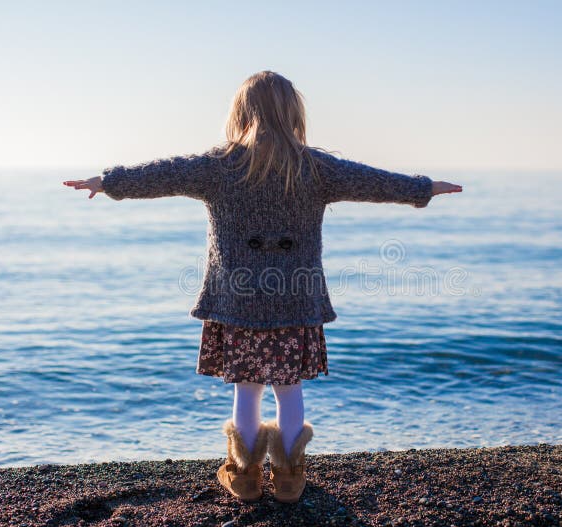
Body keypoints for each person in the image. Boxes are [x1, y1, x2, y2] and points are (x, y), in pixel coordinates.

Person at [63, 70, 462, 503]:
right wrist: (424, 189)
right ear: (293, 113)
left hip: (238, 305)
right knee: (289, 391)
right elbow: (375, 182)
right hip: (295, 301)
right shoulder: (316, 167)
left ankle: (246, 476)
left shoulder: (219, 166)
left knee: (247, 390)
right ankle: (289, 479)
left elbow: (164, 174)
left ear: (240, 112)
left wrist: (109, 182)